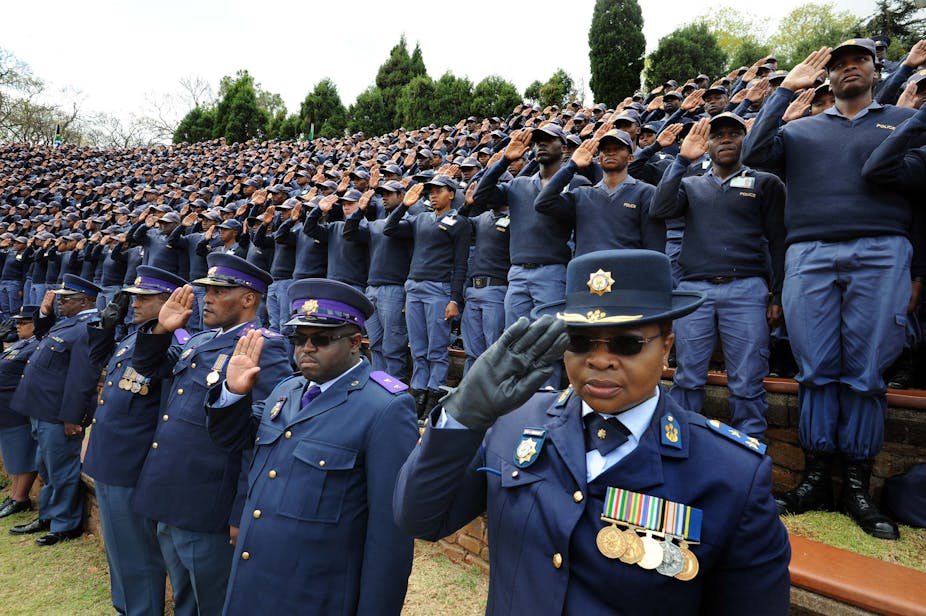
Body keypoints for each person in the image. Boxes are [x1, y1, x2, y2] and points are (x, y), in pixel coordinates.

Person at [394, 249, 791, 615]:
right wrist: (463, 416)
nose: (600, 360)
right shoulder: (513, 422)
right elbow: (421, 520)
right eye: (580, 341)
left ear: (667, 345)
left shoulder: (731, 473)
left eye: (627, 344)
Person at [742, 41, 922, 539]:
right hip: (809, 253)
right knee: (816, 368)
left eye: (857, 61)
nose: (848, 69)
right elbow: (754, 153)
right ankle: (817, 479)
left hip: (882, 249)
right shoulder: (801, 130)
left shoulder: (902, 121)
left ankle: (858, 487)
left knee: (866, 371)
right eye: (839, 64)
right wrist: (783, 92)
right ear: (828, 77)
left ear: (874, 69)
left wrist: (919, 271)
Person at [205, 279, 418, 615]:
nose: (306, 348)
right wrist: (233, 393)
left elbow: (389, 537)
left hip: (315, 594)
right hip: (253, 580)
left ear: (355, 342)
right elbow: (231, 439)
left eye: (320, 339)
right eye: (298, 338)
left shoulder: (385, 408)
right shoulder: (287, 390)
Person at [130, 253, 292, 616]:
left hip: (208, 503)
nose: (207, 298)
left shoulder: (264, 345)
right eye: (206, 291)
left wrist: (242, 510)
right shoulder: (200, 341)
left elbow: (262, 434)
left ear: (249, 298)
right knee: (185, 595)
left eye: (219, 291)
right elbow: (149, 367)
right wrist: (161, 330)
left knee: (214, 599)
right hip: (171, 493)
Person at [651, 113, 785, 439]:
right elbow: (660, 208)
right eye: (718, 135)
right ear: (707, 144)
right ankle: (679, 444)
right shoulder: (690, 183)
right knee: (687, 378)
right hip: (695, 290)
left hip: (747, 289)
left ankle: (749, 450)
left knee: (747, 380)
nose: (726, 139)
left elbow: (779, 241)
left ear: (745, 139)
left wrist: (777, 294)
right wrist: (682, 159)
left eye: (734, 133)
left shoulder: (765, 182)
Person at [83, 266, 190, 616]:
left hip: (135, 464)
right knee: (120, 550)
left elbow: (160, 373)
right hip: (110, 458)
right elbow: (98, 361)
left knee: (138, 554)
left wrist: (162, 330)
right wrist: (104, 325)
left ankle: (141, 610)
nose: (135, 304)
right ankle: (127, 607)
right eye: (134, 297)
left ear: (170, 302)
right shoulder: (137, 337)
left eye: (145, 298)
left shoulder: (176, 344)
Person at [9, 275, 101, 546]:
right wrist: (45, 314)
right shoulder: (71, 323)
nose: (60, 303)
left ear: (84, 301)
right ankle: (49, 516)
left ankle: (65, 524)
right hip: (44, 408)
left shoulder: (88, 327)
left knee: (61, 470)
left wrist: (74, 416)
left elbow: (82, 377)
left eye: (66, 299)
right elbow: (47, 339)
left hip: (58, 412)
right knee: (47, 468)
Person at [384, 176, 471, 416]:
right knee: (418, 348)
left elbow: (461, 264)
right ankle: (418, 393)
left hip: (438, 289)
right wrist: (404, 205)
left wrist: (454, 299)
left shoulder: (459, 222)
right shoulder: (420, 218)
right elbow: (390, 229)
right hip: (414, 287)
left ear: (451, 194)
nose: (433, 195)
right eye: (430, 191)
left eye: (439, 191)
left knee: (437, 349)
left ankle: (434, 396)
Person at [0, 305, 43, 518]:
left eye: (24, 322)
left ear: (36, 324)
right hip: (6, 410)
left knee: (23, 452)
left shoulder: (37, 345)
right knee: (12, 453)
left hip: (16, 408)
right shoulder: (21, 343)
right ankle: (15, 494)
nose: (18, 326)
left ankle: (20, 498)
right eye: (17, 322)